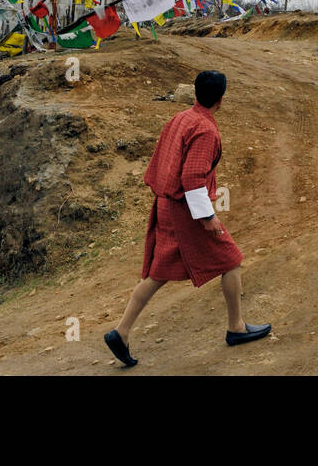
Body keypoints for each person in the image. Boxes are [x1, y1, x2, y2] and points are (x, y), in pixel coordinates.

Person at [104, 70, 271, 367]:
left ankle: (122, 331)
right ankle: (236, 328)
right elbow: (192, 176)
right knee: (231, 260)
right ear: (221, 99)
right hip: (187, 211)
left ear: (195, 93)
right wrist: (207, 216)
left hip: (167, 204)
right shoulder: (206, 130)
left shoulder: (180, 118)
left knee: (158, 274)